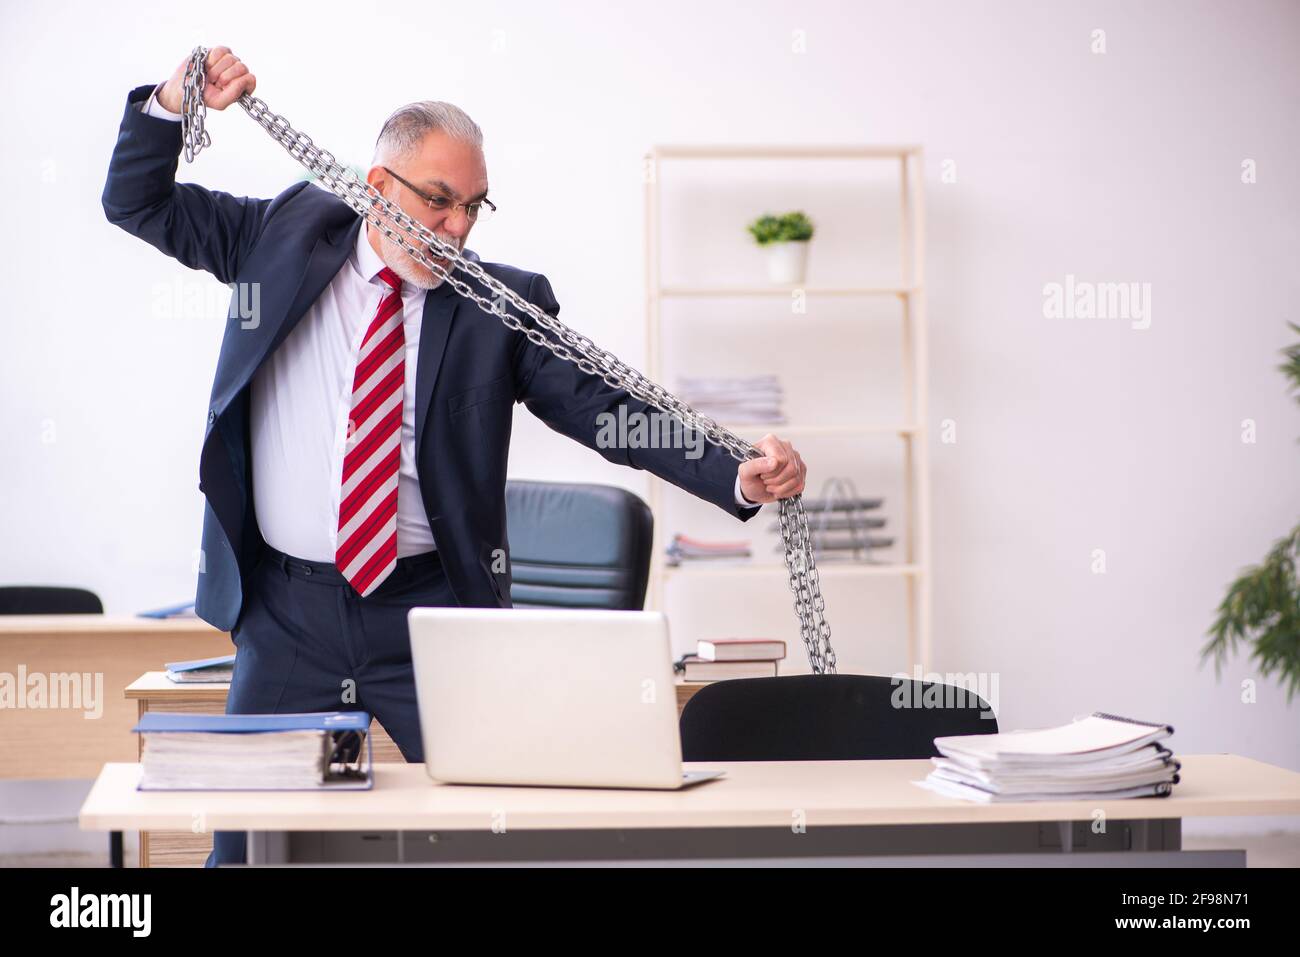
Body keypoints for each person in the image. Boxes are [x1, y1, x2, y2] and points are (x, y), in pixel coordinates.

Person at [102, 46, 808, 866]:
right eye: (438, 201)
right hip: (286, 614)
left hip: (430, 614)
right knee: (249, 846)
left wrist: (730, 470)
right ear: (376, 187)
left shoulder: (496, 306)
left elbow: (602, 407)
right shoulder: (277, 239)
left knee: (490, 834)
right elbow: (135, 201)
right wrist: (172, 100)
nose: (457, 227)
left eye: (475, 206)